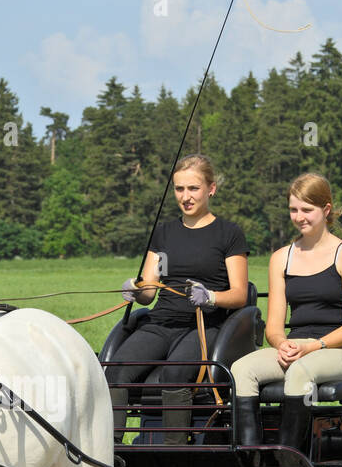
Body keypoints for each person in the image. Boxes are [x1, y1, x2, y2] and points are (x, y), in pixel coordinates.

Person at [107, 154, 250, 444]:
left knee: (174, 374)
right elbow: (148, 292)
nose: (185, 197)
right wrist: (135, 289)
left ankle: (174, 451)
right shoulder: (164, 233)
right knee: (116, 371)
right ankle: (112, 453)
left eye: (193, 188)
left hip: (205, 325)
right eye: (179, 189)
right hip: (160, 323)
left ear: (211, 189)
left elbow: (239, 295)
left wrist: (210, 297)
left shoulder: (229, 234)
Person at [230, 172, 342, 452]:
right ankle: (251, 457)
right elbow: (274, 327)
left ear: (326, 210)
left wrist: (312, 346)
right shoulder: (281, 258)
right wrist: (282, 344)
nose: (299, 216)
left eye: (307, 209)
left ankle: (290, 460)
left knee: (301, 372)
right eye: (293, 209)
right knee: (241, 369)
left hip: (339, 351)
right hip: (296, 348)